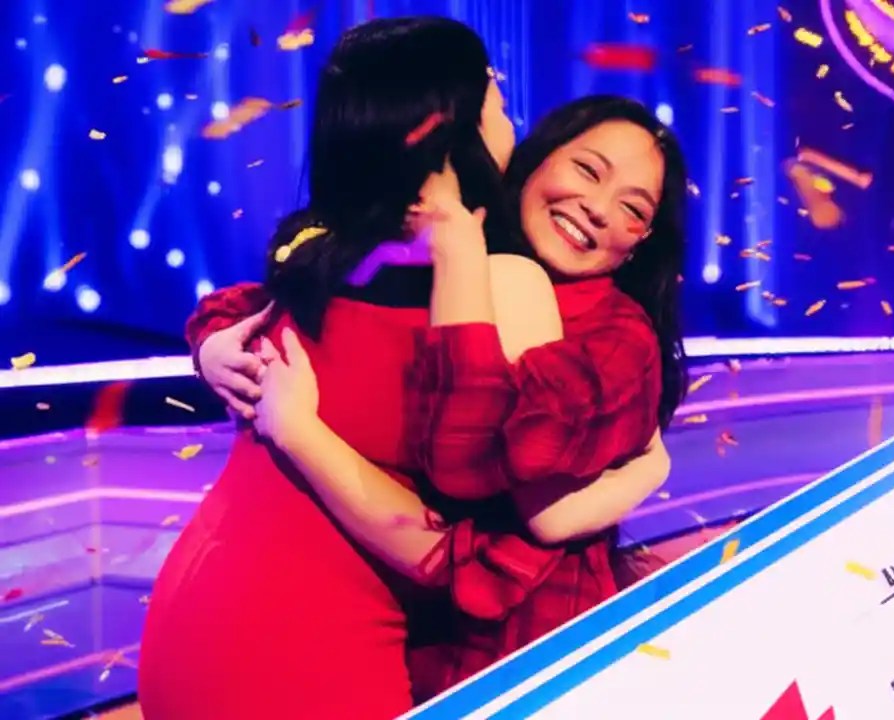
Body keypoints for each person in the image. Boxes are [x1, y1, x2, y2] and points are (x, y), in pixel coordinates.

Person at [138, 20, 667, 720]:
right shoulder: (498, 278)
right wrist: (648, 466)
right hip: (305, 657)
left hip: (190, 618)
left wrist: (213, 347)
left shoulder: (327, 250)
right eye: (500, 107)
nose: (598, 208)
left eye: (634, 208)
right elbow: (485, 500)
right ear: (455, 139)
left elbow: (245, 311)